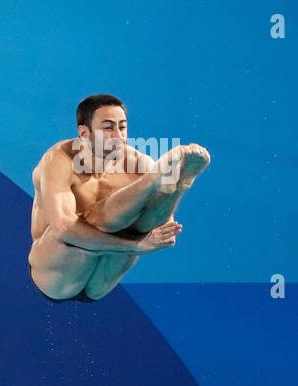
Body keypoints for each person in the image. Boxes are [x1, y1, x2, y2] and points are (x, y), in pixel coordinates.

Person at [27, 94, 210, 302]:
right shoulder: (59, 159)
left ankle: (180, 185)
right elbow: (63, 228)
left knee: (133, 223)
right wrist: (134, 246)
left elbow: (163, 229)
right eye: (108, 128)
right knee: (90, 223)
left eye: (122, 127)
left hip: (101, 280)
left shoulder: (138, 162)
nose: (118, 136)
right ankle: (151, 183)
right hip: (57, 274)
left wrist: (152, 232)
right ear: (84, 133)